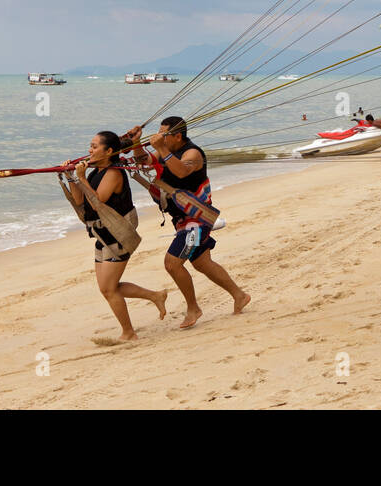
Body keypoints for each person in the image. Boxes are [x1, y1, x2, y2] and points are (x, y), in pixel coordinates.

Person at [137, 118, 250, 328]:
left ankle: (193, 308)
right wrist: (134, 144)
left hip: (197, 219)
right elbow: (144, 160)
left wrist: (161, 147)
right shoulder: (165, 151)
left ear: (177, 136)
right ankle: (239, 295)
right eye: (159, 134)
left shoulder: (193, 154)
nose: (160, 137)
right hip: (182, 219)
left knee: (172, 263)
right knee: (202, 263)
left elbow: (181, 171)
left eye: (164, 134)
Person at [63, 130, 166, 341]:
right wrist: (71, 177)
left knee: (109, 289)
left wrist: (81, 176)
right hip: (102, 236)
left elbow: (97, 202)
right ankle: (155, 296)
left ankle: (129, 332)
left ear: (109, 151)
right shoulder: (95, 172)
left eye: (94, 146)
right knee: (107, 288)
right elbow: (80, 200)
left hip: (118, 236)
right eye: (90, 146)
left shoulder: (114, 173)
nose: (89, 150)